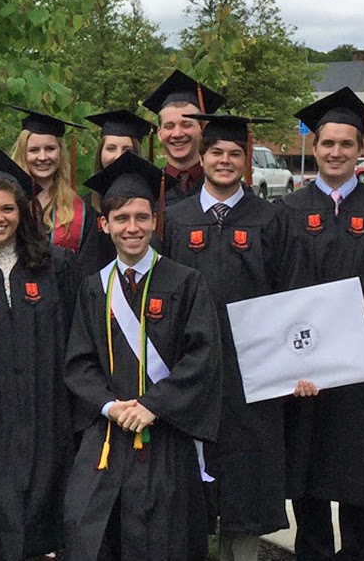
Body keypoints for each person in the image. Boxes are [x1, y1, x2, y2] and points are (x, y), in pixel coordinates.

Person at [62, 152, 222, 560]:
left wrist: (154, 405)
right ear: (105, 224)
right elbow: (79, 362)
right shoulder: (93, 288)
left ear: (155, 220)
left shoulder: (186, 283)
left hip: (166, 434)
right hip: (109, 434)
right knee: (94, 529)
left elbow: (202, 357)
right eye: (121, 219)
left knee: (165, 538)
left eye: (141, 217)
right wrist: (111, 406)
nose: (132, 228)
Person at [279, 88, 364, 561]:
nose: (336, 152)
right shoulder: (286, 213)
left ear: (361, 151)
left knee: (361, 478)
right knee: (308, 475)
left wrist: (339, 345)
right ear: (314, 148)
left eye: (346, 144)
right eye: (327, 143)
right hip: (305, 374)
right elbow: (276, 291)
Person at [161, 114, 290, 561]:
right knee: (187, 474)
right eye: (216, 152)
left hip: (249, 370)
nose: (225, 161)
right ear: (202, 155)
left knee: (246, 474)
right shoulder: (174, 219)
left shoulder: (269, 219)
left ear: (246, 161)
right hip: (190, 367)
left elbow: (287, 294)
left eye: (235, 154)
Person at [0, 151, 79, 560]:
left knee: (45, 500)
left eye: (7, 208)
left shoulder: (56, 266)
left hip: (48, 406)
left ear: (23, 213)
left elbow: (79, 337)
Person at [78, 110, 153, 276]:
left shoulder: (154, 203)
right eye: (110, 148)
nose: (118, 156)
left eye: (127, 149)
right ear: (100, 154)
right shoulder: (85, 207)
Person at [8, 105, 93, 253]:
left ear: (60, 152)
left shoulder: (79, 209)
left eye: (50, 149)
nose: (43, 157)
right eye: (34, 150)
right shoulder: (8, 199)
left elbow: (85, 266)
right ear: (23, 154)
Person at [141, 71, 226, 203]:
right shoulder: (146, 188)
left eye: (186, 125)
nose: (177, 134)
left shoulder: (225, 185)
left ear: (203, 129)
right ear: (159, 133)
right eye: (169, 126)